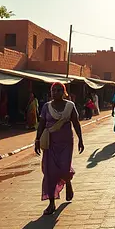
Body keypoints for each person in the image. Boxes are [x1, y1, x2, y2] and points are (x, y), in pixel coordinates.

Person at [34, 82, 84, 215]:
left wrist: (80, 139)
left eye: (58, 90)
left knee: (64, 168)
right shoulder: (46, 107)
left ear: (64, 92)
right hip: (50, 143)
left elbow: (76, 123)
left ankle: (68, 182)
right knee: (49, 172)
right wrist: (37, 140)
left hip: (66, 142)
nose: (55, 93)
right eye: (53, 90)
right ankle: (51, 203)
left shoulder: (70, 106)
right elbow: (42, 124)